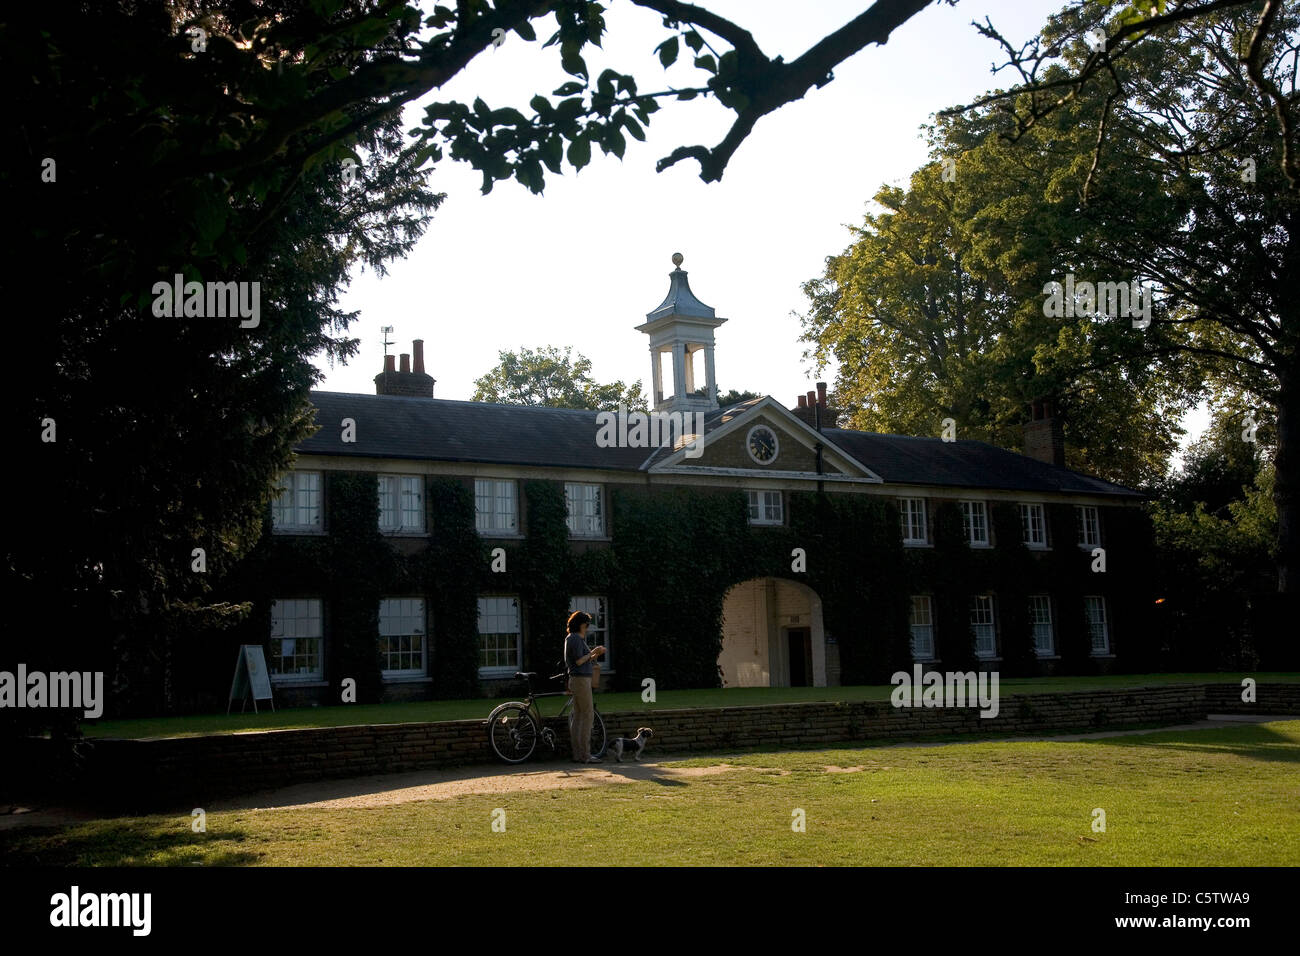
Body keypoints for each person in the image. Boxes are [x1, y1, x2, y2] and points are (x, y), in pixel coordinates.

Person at [564, 610, 605, 763]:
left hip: (580, 679)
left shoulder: (575, 639)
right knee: (587, 716)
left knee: (580, 716)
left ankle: (579, 754)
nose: (587, 628)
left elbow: (584, 659)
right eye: (587, 624)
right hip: (580, 680)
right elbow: (579, 661)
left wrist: (596, 653)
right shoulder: (575, 638)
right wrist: (593, 651)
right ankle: (585, 755)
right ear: (581, 625)